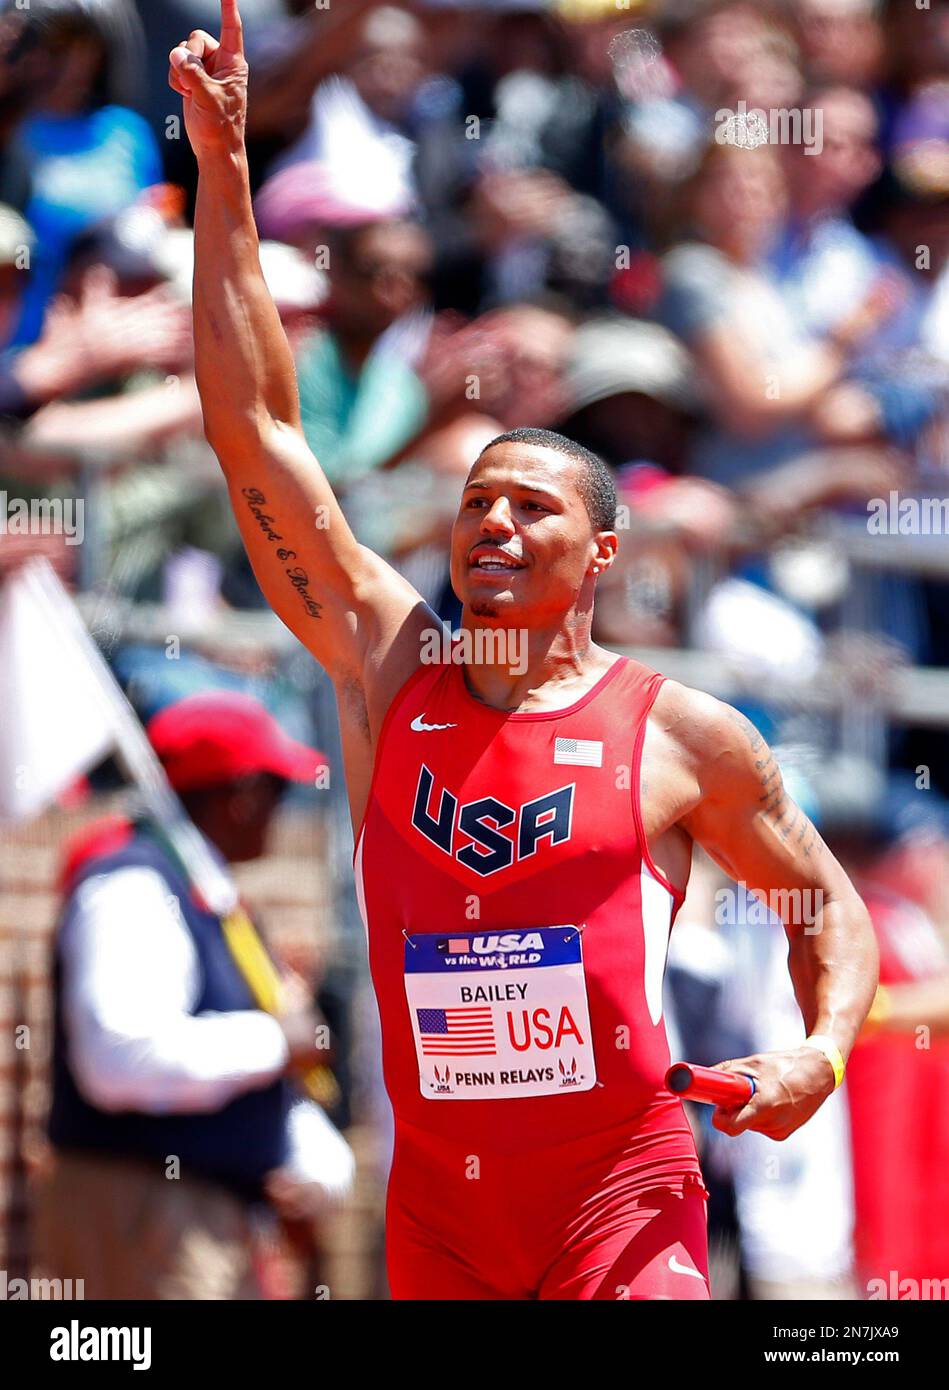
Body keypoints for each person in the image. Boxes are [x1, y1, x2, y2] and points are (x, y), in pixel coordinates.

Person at [168, 2, 879, 1301]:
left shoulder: (680, 731)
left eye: (531, 505)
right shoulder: (391, 669)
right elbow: (255, 428)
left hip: (620, 1204)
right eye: (475, 502)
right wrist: (225, 183)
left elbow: (818, 900)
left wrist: (819, 1049)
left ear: (601, 555)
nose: (492, 519)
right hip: (440, 1213)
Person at [34, 690, 354, 1300]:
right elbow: (119, 1058)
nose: (279, 812)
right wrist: (277, 1040)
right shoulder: (135, 882)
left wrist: (316, 1171)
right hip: (148, 1214)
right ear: (239, 795)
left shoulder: (206, 891)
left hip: (196, 1217)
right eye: (275, 791)